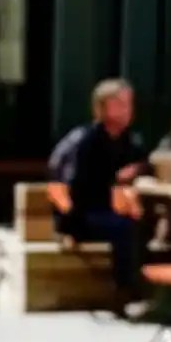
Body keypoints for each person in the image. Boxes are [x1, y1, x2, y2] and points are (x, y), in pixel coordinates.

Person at [66, 78, 147, 303]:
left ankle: (150, 287)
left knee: (144, 224)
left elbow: (143, 162)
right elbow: (78, 189)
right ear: (104, 108)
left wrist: (137, 170)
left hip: (117, 207)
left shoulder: (129, 139)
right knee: (125, 228)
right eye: (121, 103)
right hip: (84, 215)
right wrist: (114, 182)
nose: (128, 109)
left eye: (129, 103)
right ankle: (125, 292)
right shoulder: (88, 141)